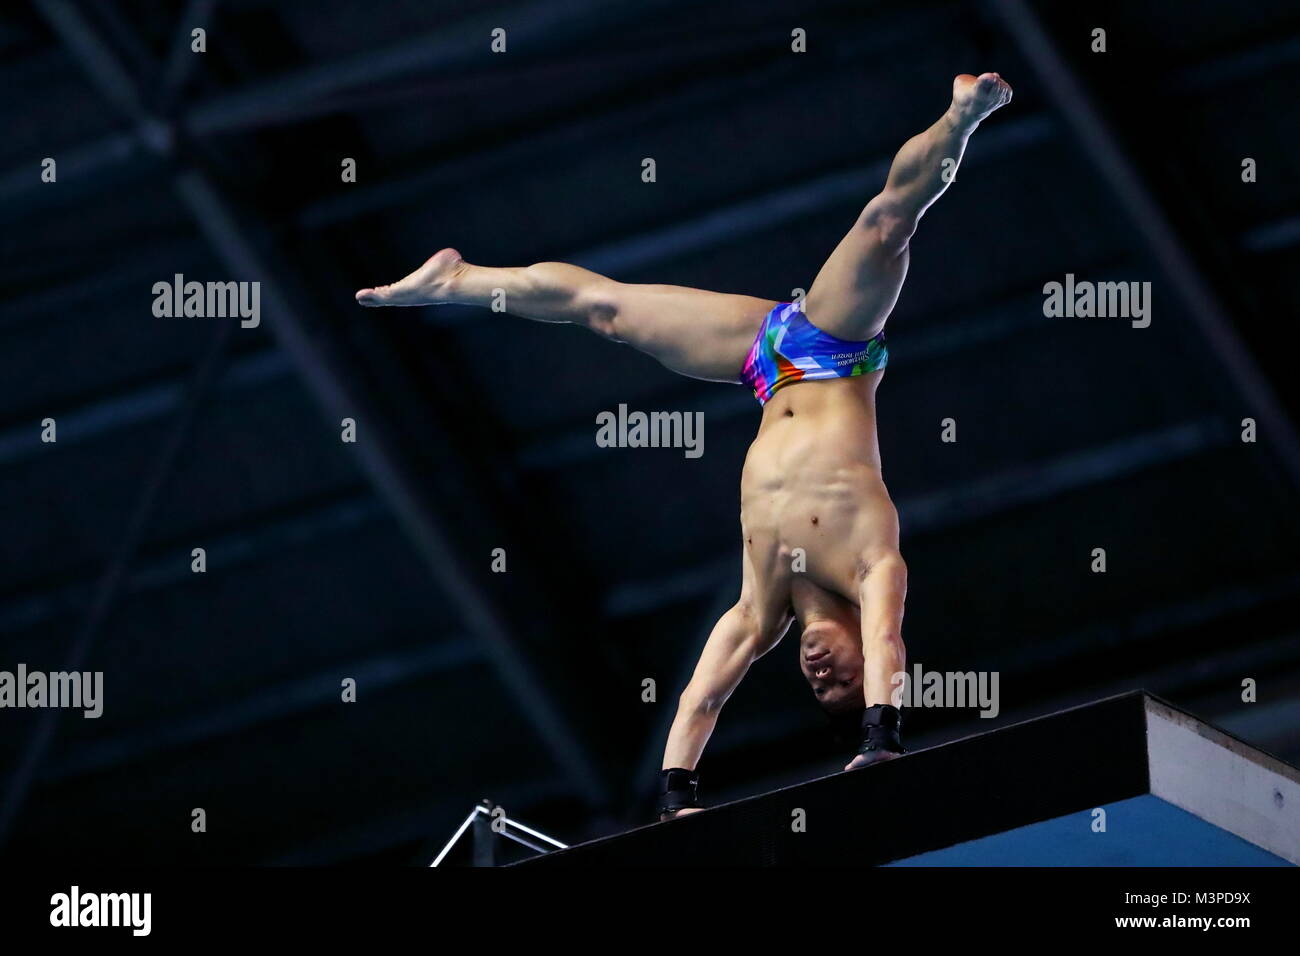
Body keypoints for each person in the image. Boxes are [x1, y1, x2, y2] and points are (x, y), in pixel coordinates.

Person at [357, 73, 1014, 818]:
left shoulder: (759, 610)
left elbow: (702, 700)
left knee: (603, 311)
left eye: (814, 687)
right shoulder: (872, 568)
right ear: (865, 670)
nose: (817, 671)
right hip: (837, 347)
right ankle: (962, 117)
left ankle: (457, 280)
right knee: (887, 224)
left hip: (764, 363)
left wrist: (677, 801)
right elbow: (891, 642)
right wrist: (882, 740)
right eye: (840, 680)